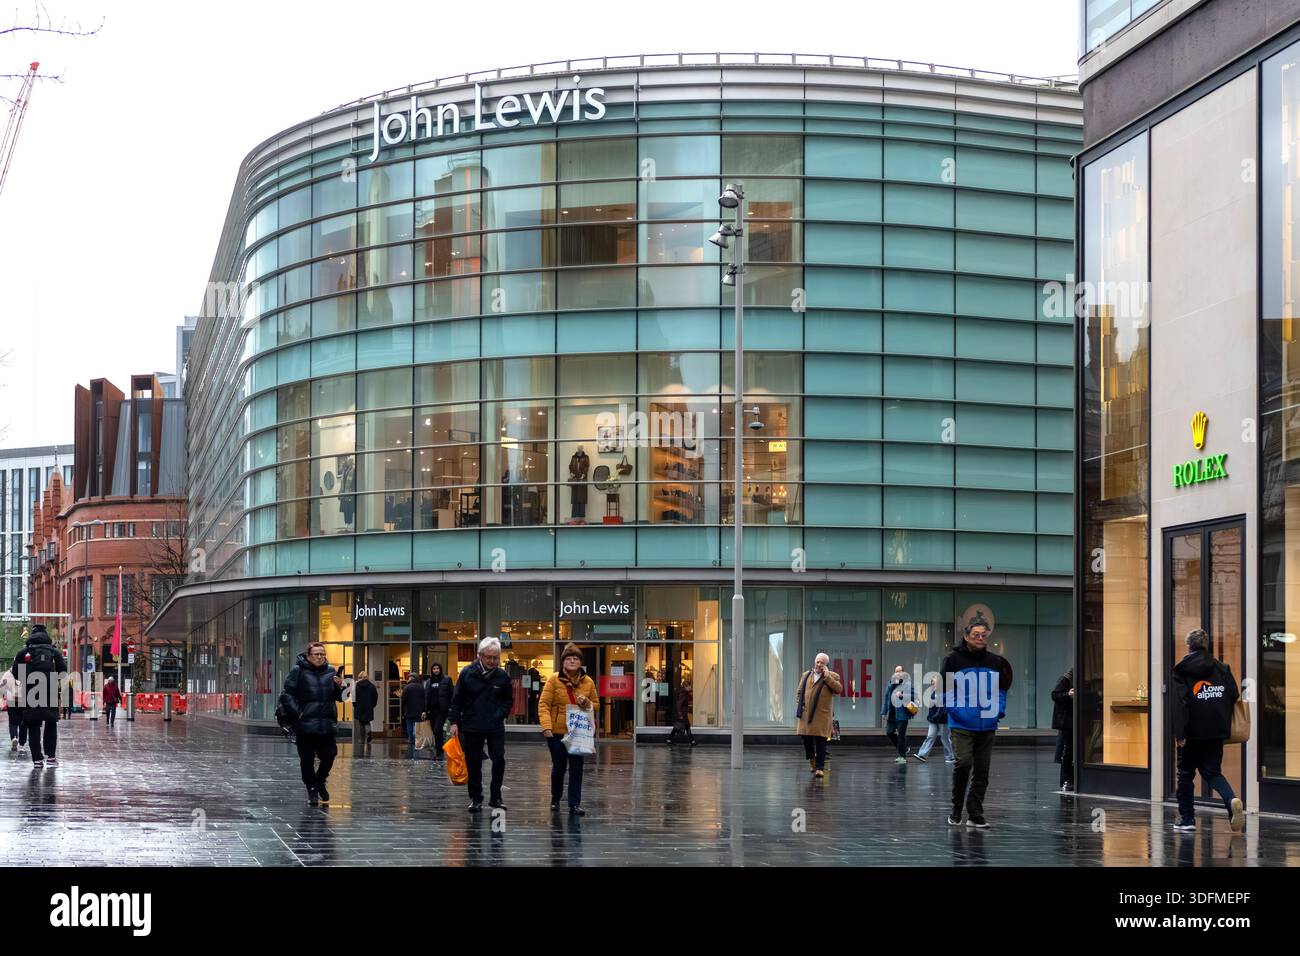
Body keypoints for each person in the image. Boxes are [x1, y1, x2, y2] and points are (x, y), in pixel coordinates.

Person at [942, 613, 1013, 828]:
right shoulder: (952, 660)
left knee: (982, 770)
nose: (981, 638)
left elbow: (1001, 689)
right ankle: (956, 808)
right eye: (976, 635)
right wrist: (956, 711)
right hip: (962, 724)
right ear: (966, 636)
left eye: (984, 635)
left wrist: (999, 710)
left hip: (987, 725)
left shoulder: (996, 661)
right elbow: (945, 691)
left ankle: (975, 813)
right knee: (963, 763)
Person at [1171, 628, 1245, 833]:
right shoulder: (1222, 668)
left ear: (1189, 647)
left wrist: (1180, 734)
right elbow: (1234, 693)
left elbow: (1181, 704)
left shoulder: (1181, 671)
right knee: (1213, 772)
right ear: (1206, 646)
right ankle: (1231, 800)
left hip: (1192, 733)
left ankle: (1187, 819)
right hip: (1216, 731)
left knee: (1185, 774)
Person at [448, 637, 514, 813]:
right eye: (489, 657)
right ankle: (476, 798)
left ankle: (496, 797)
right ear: (480, 656)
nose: (492, 661)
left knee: (498, 759)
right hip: (472, 724)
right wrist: (453, 721)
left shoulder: (502, 676)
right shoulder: (467, 673)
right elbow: (457, 698)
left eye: (496, 658)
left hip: (494, 725)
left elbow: (508, 700)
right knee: (473, 762)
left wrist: (500, 714)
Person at [539, 642, 600, 815]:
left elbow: (596, 705)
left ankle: (574, 803)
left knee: (576, 768)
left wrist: (587, 703)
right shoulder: (553, 680)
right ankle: (555, 798)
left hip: (578, 732)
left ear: (580, 662)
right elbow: (543, 704)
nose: (572, 661)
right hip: (557, 732)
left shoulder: (588, 682)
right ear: (563, 662)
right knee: (558, 767)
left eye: (576, 658)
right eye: (569, 658)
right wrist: (546, 727)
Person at [280, 642, 343, 806]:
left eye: (322, 654)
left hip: (326, 724)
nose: (320, 657)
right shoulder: (298, 670)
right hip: (306, 725)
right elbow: (287, 694)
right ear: (309, 656)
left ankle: (320, 780)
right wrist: (298, 713)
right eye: (316, 654)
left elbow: (340, 697)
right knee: (306, 760)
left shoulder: (331, 671)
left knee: (330, 755)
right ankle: (311, 789)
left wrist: (339, 687)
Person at [10, 624, 67, 768]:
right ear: (45, 636)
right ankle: (51, 758)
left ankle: (37, 760)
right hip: (50, 692)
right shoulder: (54, 652)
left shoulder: (23, 653)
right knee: (51, 723)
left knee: (33, 725)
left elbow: (16, 673)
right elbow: (63, 672)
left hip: (31, 693)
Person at [794, 652, 842, 778]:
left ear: (826, 665)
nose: (819, 664)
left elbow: (838, 689)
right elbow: (799, 692)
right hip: (806, 714)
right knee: (806, 739)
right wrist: (800, 703)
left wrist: (827, 677)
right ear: (815, 662)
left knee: (821, 742)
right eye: (818, 662)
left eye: (822, 663)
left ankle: (820, 768)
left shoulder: (833, 676)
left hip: (822, 715)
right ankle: (812, 758)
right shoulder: (806, 675)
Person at [916, 674, 954, 763]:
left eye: (934, 681)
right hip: (934, 720)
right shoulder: (933, 693)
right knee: (930, 736)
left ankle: (950, 756)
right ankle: (922, 755)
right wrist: (931, 717)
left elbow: (944, 708)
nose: (932, 683)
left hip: (943, 720)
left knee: (945, 738)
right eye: (932, 682)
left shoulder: (945, 693)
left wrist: (935, 716)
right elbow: (932, 708)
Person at [882, 665, 915, 764]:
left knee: (901, 735)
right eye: (896, 671)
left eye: (900, 671)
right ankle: (904, 749)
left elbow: (913, 696)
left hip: (902, 714)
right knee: (889, 732)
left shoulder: (907, 684)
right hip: (891, 714)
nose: (898, 673)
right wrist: (884, 712)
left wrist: (902, 695)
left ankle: (902, 756)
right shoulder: (890, 684)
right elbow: (886, 698)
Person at [1051, 667, 1074, 793]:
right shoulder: (1067, 678)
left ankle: (1069, 780)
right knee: (1068, 751)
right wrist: (1068, 694)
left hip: (1072, 720)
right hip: (1067, 721)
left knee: (1070, 751)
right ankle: (1066, 780)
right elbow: (1055, 695)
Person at [423, 663, 453, 761]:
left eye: (437, 668)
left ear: (440, 669)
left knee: (437, 729)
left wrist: (451, 707)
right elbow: (426, 697)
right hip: (431, 710)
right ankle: (439, 750)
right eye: (434, 668)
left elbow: (452, 694)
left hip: (442, 710)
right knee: (435, 732)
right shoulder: (428, 681)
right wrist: (424, 710)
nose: (436, 670)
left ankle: (439, 751)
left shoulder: (447, 680)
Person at [401, 673, 427, 760]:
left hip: (409, 711)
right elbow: (424, 699)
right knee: (417, 727)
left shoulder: (407, 687)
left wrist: (404, 708)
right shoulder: (421, 687)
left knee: (409, 726)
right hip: (419, 711)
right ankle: (417, 740)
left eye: (409, 677)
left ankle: (411, 740)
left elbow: (403, 699)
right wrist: (423, 709)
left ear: (411, 678)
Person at [0, 666, 26, 753]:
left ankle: (14, 737)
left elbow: (1, 685)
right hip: (23, 700)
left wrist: (6, 693)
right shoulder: (25, 671)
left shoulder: (7, 674)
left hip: (11, 700)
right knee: (23, 722)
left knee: (12, 721)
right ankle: (22, 744)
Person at [666, 676, 696, 746]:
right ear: (686, 686)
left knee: (684, 726)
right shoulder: (683, 694)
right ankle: (692, 741)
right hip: (682, 714)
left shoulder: (684, 692)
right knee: (681, 727)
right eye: (689, 686)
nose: (690, 687)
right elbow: (678, 705)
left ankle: (692, 741)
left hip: (683, 714)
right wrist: (680, 715)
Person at [353, 671, 378, 745]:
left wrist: (355, 705)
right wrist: (372, 705)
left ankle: (362, 739)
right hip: (368, 707)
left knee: (361, 723)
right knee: (367, 722)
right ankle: (369, 733)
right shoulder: (372, 686)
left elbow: (354, 698)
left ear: (360, 677)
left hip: (359, 707)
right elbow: (375, 697)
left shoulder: (356, 686)